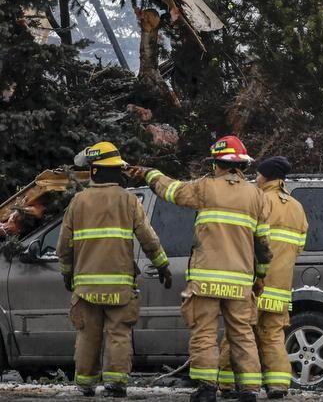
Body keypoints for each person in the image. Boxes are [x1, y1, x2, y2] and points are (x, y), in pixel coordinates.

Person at [127, 136, 272, 402]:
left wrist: (150, 173)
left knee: (204, 333)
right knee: (242, 334)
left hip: (205, 280)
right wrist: (260, 276)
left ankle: (206, 389)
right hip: (240, 282)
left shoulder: (205, 188)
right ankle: (250, 390)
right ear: (242, 165)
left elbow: (172, 191)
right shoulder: (257, 196)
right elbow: (263, 245)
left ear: (218, 163)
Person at [59, 141, 172, 397]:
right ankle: (116, 383)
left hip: (86, 287)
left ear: (94, 170)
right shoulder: (128, 200)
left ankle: (85, 384)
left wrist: (67, 273)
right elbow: (148, 238)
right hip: (120, 287)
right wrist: (162, 266)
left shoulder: (78, 202)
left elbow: (64, 245)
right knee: (119, 334)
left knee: (88, 335)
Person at [217, 156, 307, 399]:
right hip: (280, 287)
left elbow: (246, 240)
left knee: (238, 332)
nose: (255, 178)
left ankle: (227, 384)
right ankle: (278, 385)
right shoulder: (297, 207)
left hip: (255, 282)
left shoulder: (258, 200)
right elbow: (299, 247)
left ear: (266, 176)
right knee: (273, 335)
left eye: (258, 174)